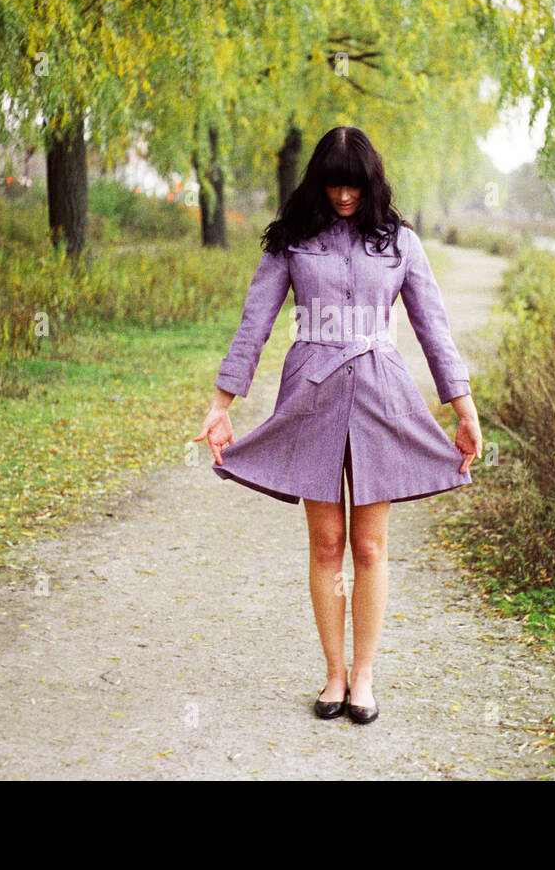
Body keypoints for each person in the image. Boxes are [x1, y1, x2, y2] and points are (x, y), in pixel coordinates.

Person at [193, 125, 482, 724]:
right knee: (326, 544)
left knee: (369, 545)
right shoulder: (291, 242)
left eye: (353, 185)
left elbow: (434, 329)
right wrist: (221, 404)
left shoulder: (400, 243)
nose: (343, 196)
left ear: (369, 182)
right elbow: (255, 324)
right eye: (333, 184)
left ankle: (366, 678)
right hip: (312, 395)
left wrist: (464, 409)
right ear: (318, 182)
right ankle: (332, 675)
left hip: (381, 394)